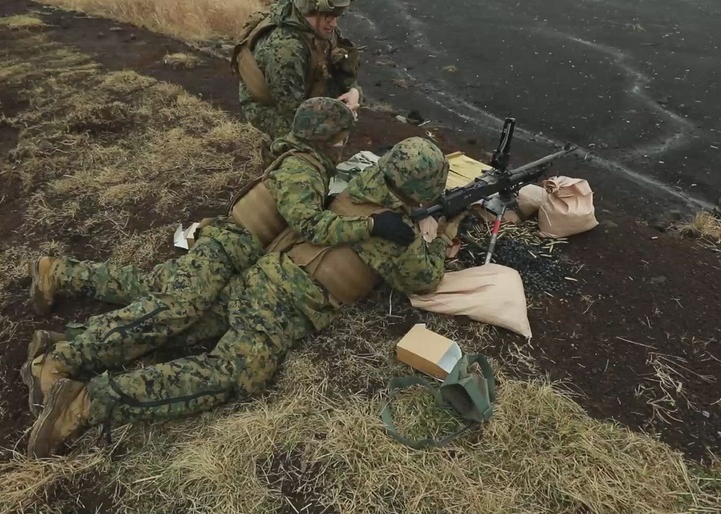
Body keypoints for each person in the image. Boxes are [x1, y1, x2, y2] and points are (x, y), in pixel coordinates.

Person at [25, 137, 464, 458]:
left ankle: (64, 353)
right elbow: (424, 279)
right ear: (426, 190)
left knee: (180, 326)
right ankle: (83, 404)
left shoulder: (363, 184)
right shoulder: (399, 237)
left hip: (259, 274)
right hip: (287, 303)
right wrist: (440, 235)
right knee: (232, 374)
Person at [20, 97, 416, 413]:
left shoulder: (302, 160)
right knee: (174, 308)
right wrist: (373, 226)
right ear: (328, 140)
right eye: (340, 140)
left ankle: (59, 282)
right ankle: (63, 360)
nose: (342, 147)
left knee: (156, 290)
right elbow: (311, 225)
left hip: (233, 248)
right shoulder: (302, 170)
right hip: (228, 248)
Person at [231, 0, 363, 167]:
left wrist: (353, 91)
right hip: (272, 108)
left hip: (300, 95)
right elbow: (293, 112)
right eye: (329, 17)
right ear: (310, 8)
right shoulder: (286, 50)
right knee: (316, 150)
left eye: (336, 16)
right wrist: (335, 120)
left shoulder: (318, 25)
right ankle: (278, 160)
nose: (334, 24)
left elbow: (340, 64)